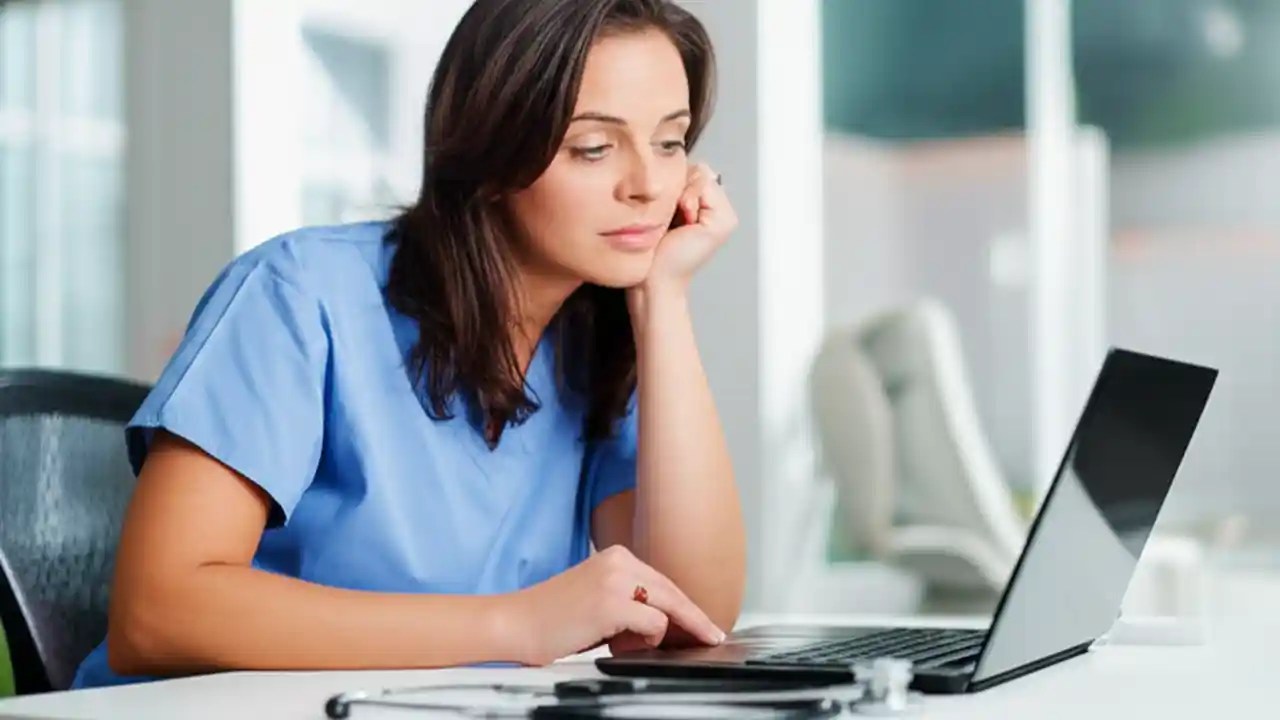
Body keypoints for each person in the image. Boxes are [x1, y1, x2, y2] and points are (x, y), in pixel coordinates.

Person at [71, 0, 745, 689]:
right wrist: (514, 625)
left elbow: (692, 616)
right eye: (594, 148)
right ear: (491, 152)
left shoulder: (594, 338)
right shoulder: (300, 293)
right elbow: (157, 614)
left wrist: (663, 300)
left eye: (670, 143)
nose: (648, 186)